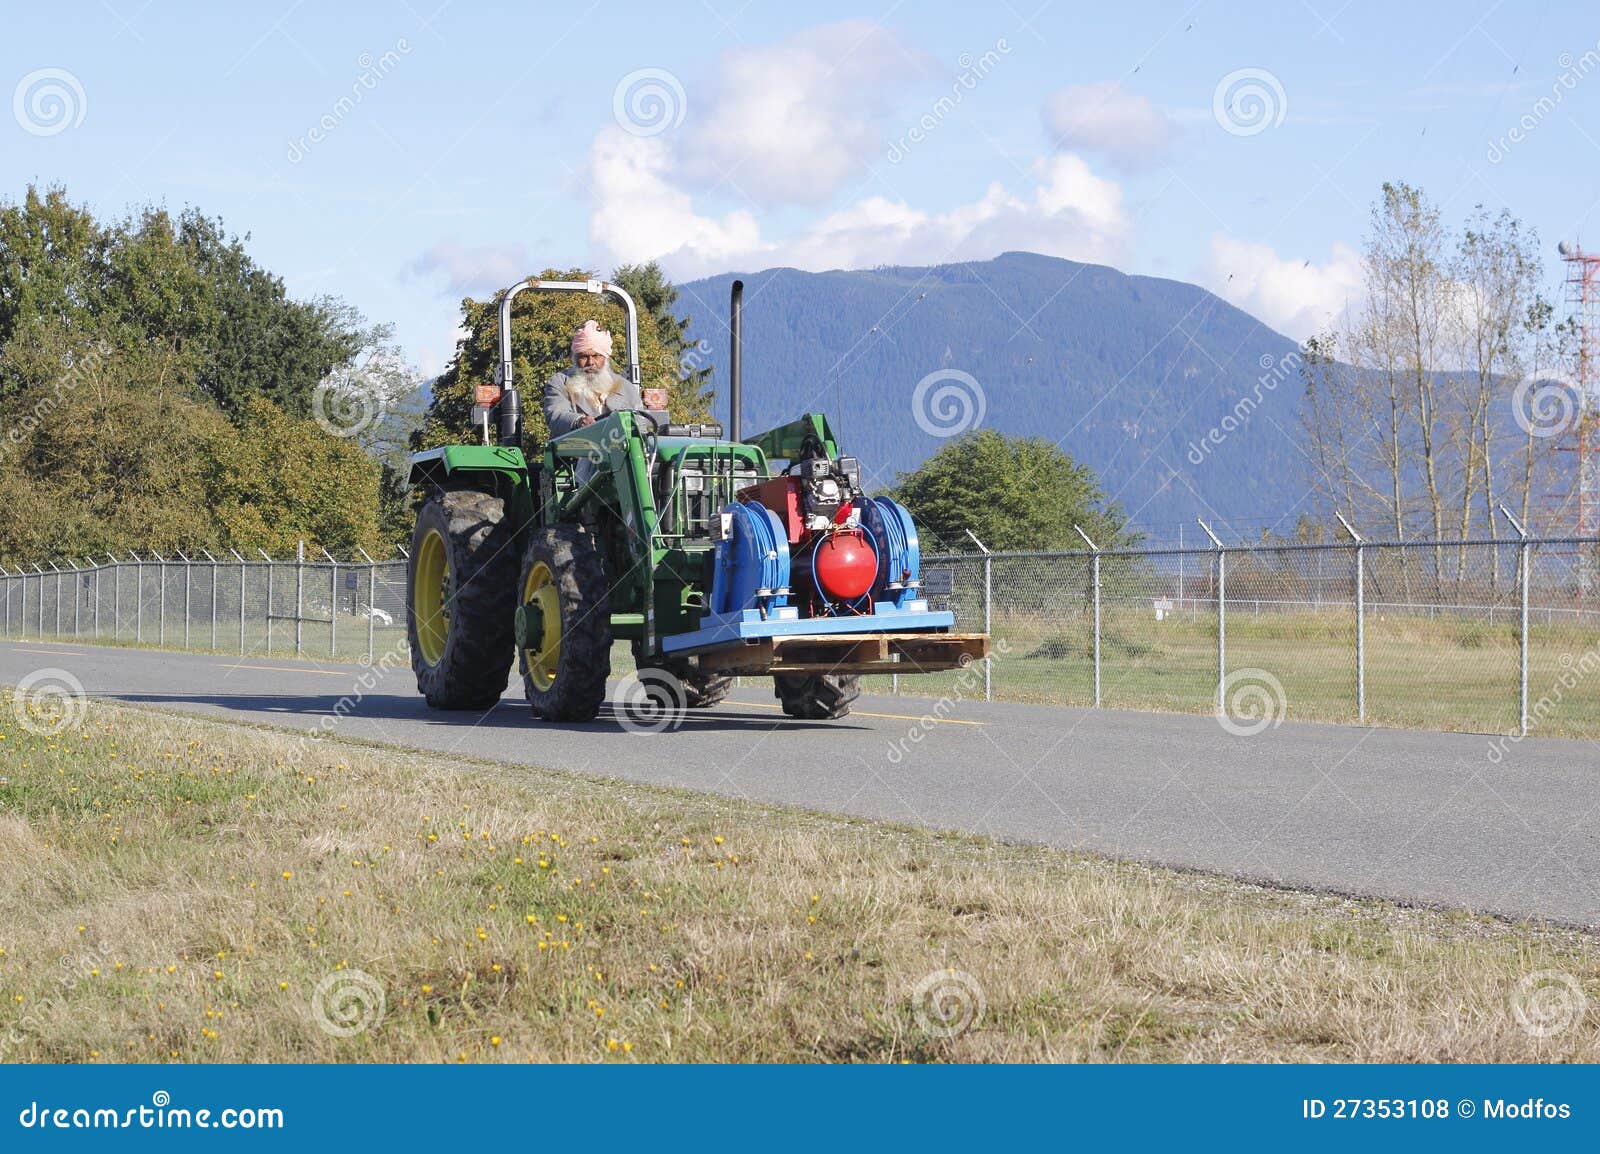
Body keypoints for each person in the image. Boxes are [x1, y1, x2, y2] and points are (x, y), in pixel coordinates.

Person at [541, 320, 642, 437]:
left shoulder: (625, 386)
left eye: (596, 356)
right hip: (575, 451)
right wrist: (578, 421)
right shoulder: (560, 382)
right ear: (575, 358)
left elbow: (641, 424)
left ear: (605, 357)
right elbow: (555, 415)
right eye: (584, 357)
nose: (590, 362)